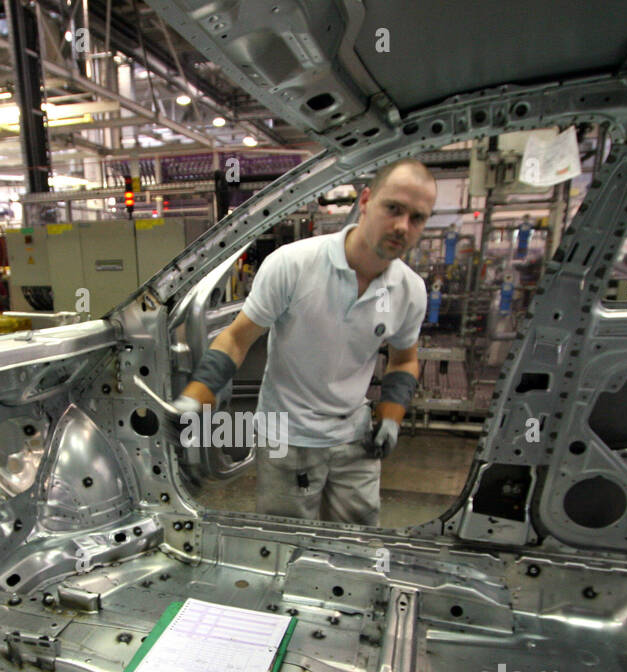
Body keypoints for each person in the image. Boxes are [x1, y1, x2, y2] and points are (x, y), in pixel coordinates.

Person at [175, 159, 437, 526]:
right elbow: (237, 338)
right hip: (286, 434)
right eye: (392, 208)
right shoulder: (294, 265)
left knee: (357, 546)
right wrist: (197, 394)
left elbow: (404, 359)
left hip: (355, 437)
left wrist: (392, 416)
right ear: (365, 201)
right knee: (284, 546)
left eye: (417, 218)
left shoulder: (409, 290)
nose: (401, 226)